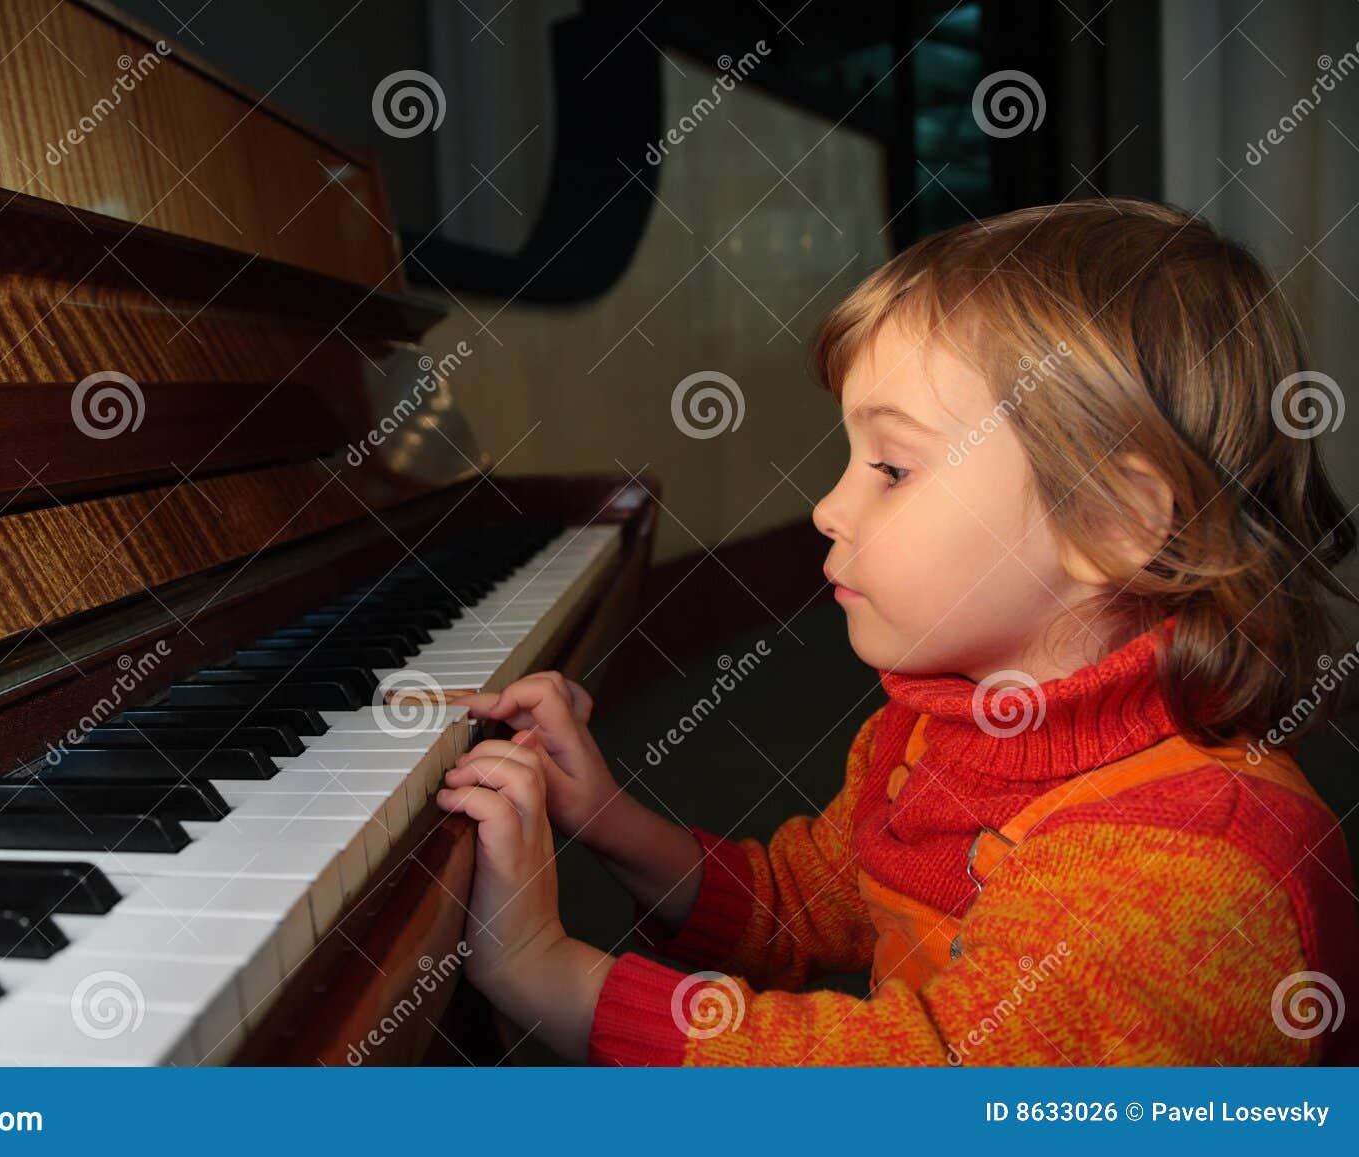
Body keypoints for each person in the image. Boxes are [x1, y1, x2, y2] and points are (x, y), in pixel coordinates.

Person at [437, 198, 1359, 1065]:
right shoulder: (939, 725)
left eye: (891, 466)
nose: (830, 507)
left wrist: (547, 972)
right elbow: (808, 904)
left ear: (1113, 522)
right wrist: (605, 819)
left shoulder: (1183, 875)